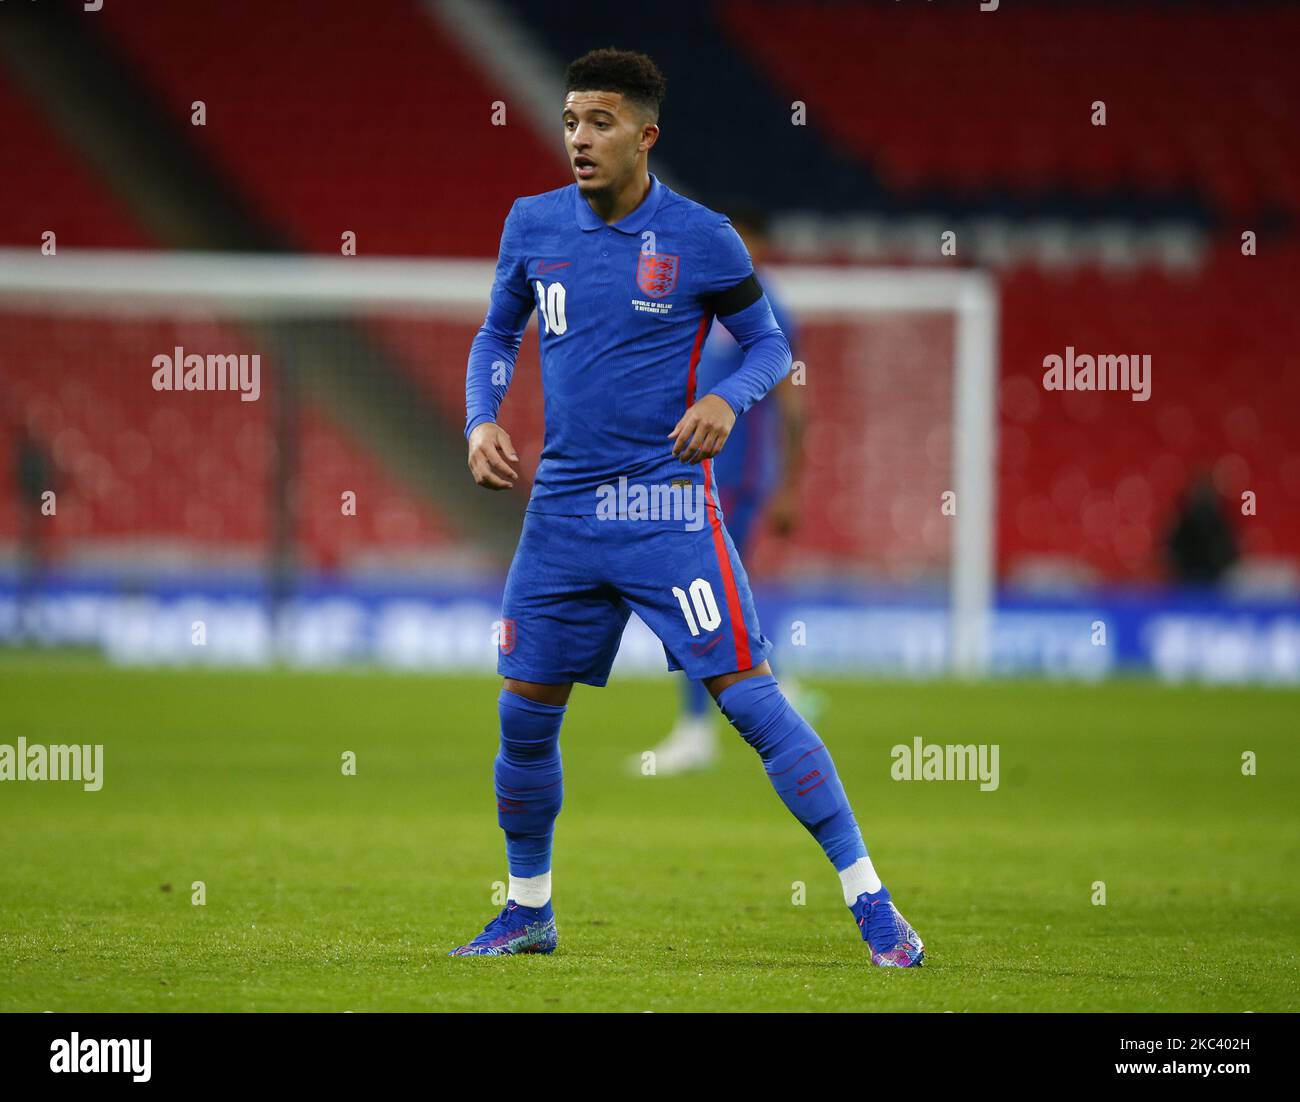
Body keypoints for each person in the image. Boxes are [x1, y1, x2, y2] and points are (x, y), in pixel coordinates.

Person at [454, 48, 923, 967]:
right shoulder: (531, 225)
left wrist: (725, 399)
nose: (580, 140)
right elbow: (496, 331)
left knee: (749, 700)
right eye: (571, 122)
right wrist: (479, 420)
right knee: (524, 713)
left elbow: (769, 346)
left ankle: (872, 901)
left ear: (645, 134)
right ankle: (527, 908)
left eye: (600, 123)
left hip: (665, 509)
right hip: (561, 513)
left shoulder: (704, 238)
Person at [635, 201, 814, 775]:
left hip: (731, 481)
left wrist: (788, 487)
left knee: (696, 598)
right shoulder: (703, 302)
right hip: (688, 475)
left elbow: (793, 406)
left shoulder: (767, 310)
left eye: (740, 239)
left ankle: (696, 731)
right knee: (712, 599)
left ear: (758, 245)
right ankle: (778, 687)